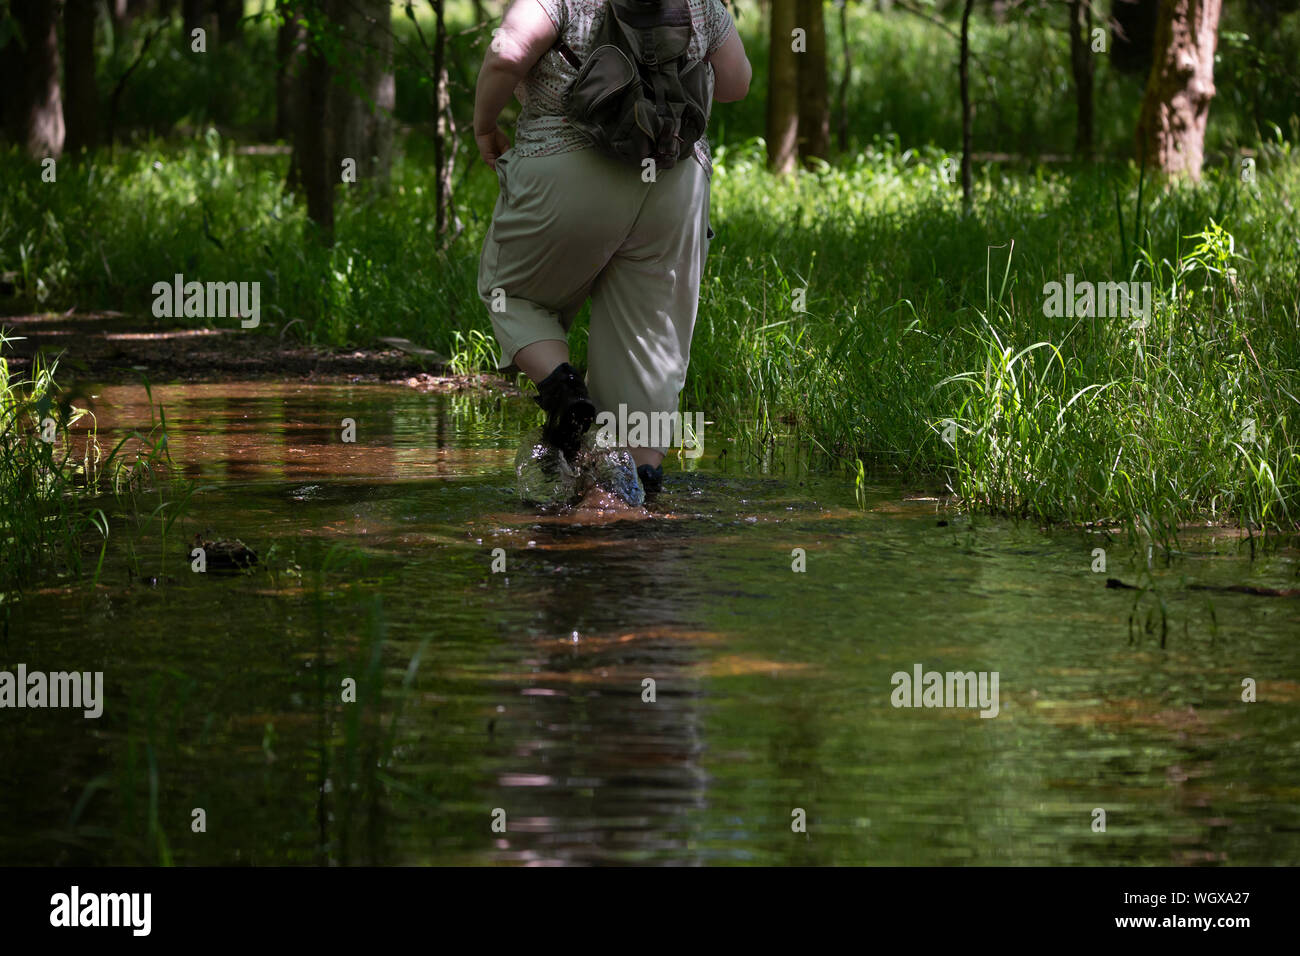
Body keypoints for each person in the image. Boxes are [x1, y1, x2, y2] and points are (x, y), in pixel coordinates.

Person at [474, 0, 751, 496]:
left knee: (513, 296)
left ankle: (564, 392)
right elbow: (736, 82)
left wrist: (483, 124)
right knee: (645, 349)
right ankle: (630, 496)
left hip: (567, 166)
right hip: (675, 183)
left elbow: (508, 52)